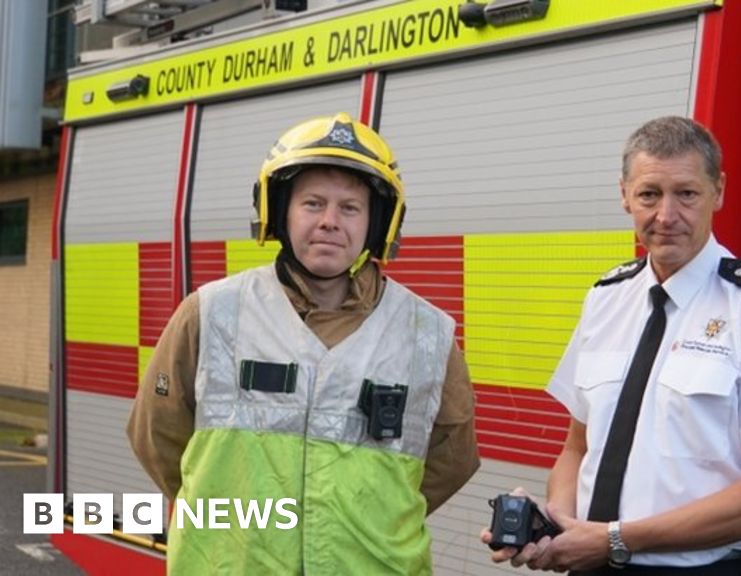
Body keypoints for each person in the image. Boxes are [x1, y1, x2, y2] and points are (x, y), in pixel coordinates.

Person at [127, 112, 479, 575]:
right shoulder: (210, 313)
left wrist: (364, 519)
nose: (330, 222)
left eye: (350, 208)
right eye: (313, 204)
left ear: (377, 224)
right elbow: (158, 437)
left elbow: (451, 460)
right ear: (280, 211)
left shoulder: (427, 334)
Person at [483, 116, 741, 574]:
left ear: (718, 191)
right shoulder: (605, 298)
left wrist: (614, 539)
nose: (666, 216)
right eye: (649, 194)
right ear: (624, 195)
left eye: (686, 193)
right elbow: (577, 449)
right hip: (593, 564)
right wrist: (559, 525)